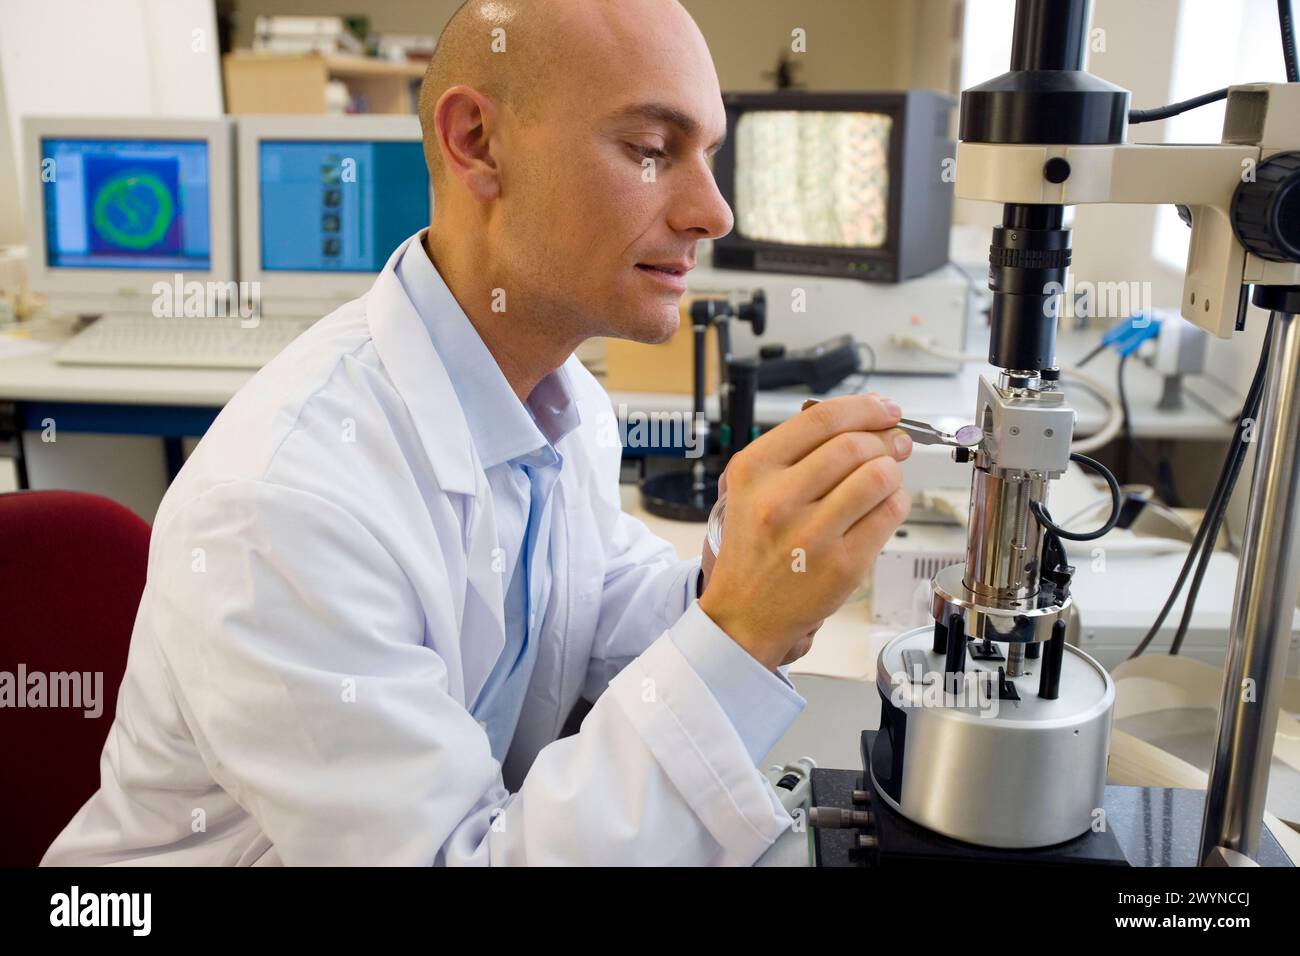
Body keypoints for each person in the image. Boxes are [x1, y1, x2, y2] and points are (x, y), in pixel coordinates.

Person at [43, 0, 912, 866]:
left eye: (708, 158)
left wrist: (740, 576)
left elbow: (593, 616)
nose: (714, 213)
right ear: (478, 144)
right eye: (652, 151)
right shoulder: (281, 508)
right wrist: (738, 636)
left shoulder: (558, 395)